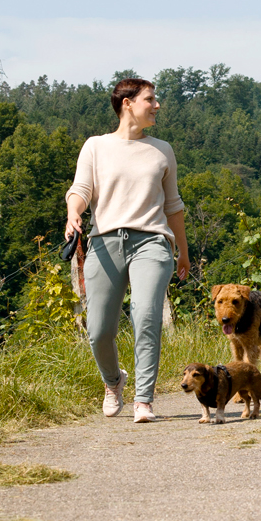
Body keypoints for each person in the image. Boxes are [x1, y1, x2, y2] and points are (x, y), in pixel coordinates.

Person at [64, 77, 192, 424]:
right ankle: (113, 380)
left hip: (152, 241)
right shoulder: (96, 146)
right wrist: (73, 212)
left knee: (146, 315)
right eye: (150, 99)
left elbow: (173, 205)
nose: (157, 105)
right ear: (127, 104)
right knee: (99, 329)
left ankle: (143, 400)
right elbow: (80, 189)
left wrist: (182, 250)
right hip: (105, 242)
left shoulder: (162, 149)